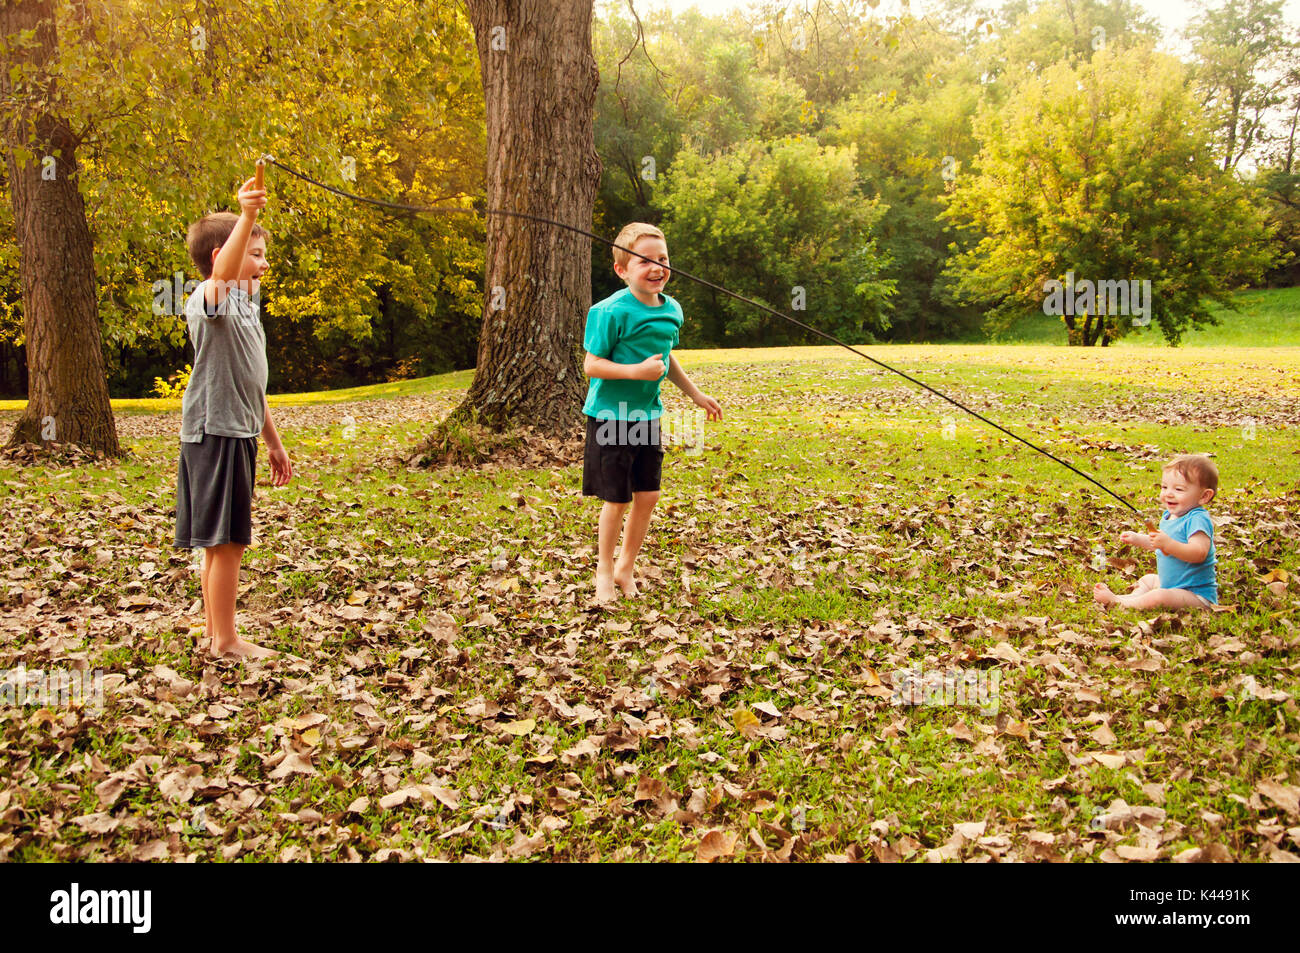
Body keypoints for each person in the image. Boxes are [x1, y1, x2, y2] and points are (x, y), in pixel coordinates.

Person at [175, 175, 292, 657]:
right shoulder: (210, 300)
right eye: (255, 252)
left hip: (239, 432)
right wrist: (245, 214)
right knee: (227, 544)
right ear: (221, 255)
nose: (264, 263)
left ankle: (215, 634)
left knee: (221, 543)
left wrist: (273, 441)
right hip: (215, 433)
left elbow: (252, 382)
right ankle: (225, 641)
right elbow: (222, 275)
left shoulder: (245, 306)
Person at [582, 223, 721, 602]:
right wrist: (633, 372)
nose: (657, 267)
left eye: (662, 259)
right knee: (618, 499)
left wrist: (695, 394)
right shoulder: (608, 311)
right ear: (622, 270)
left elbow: (666, 358)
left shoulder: (671, 310)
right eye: (645, 261)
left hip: (647, 416)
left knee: (648, 496)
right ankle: (604, 572)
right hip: (612, 416)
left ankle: (627, 568)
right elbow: (591, 365)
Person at [1094, 454, 1218, 610]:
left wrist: (1169, 544)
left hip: (1195, 594)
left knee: (1159, 596)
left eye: (1178, 489)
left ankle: (1121, 603)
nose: (1168, 493)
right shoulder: (1170, 516)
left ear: (1204, 496)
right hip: (1172, 584)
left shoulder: (1197, 519)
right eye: (1164, 487)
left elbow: (1198, 553)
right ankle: (1130, 598)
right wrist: (1138, 539)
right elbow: (1159, 544)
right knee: (1148, 580)